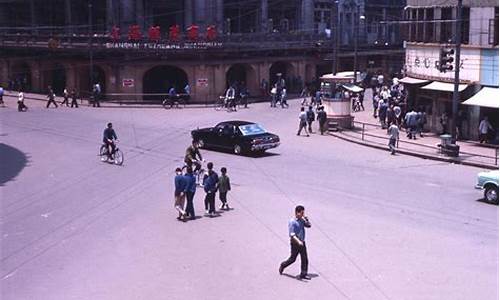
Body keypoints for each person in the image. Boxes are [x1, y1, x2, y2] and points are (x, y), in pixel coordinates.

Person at [279, 205, 312, 280]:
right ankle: (283, 265)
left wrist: (306, 220)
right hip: (295, 243)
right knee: (292, 259)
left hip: (302, 242)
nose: (303, 215)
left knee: (305, 259)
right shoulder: (292, 222)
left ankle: (303, 274)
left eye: (303, 213)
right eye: (301, 213)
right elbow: (292, 235)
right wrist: (298, 242)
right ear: (297, 213)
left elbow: (309, 226)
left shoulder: (302, 220)